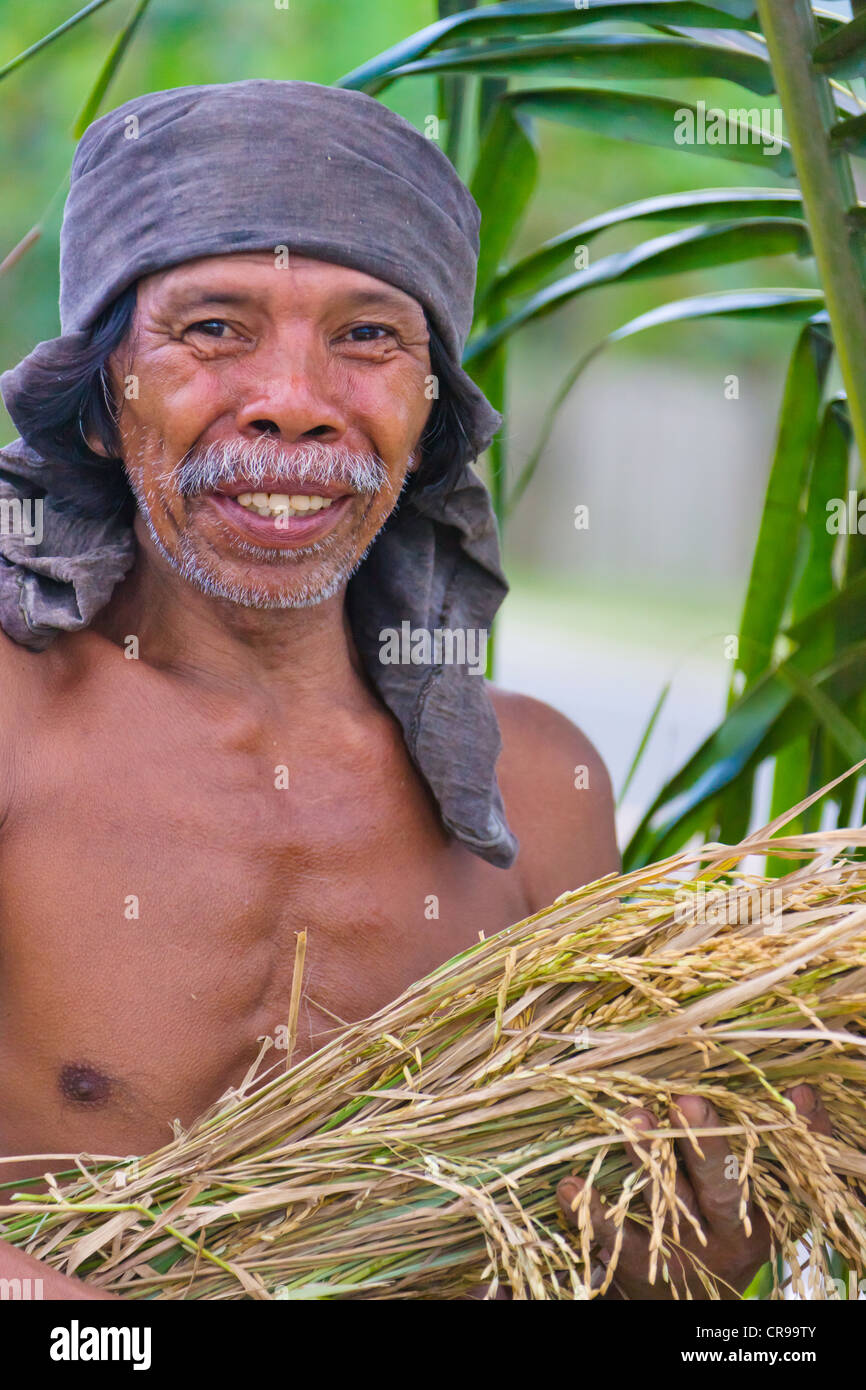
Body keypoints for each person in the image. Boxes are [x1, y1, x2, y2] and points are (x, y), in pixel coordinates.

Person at [0, 80, 824, 1301]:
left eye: (367, 336)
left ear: (431, 412)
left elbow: (583, 1268)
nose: (293, 398)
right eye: (214, 329)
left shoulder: (534, 789)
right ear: (104, 406)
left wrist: (671, 1268)